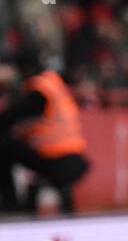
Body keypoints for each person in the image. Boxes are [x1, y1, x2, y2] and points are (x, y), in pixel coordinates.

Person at [0, 55, 90, 214]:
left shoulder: (39, 90)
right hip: (75, 157)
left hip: (56, 157)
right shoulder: (55, 85)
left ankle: (11, 205)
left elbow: (11, 116)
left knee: (4, 147)